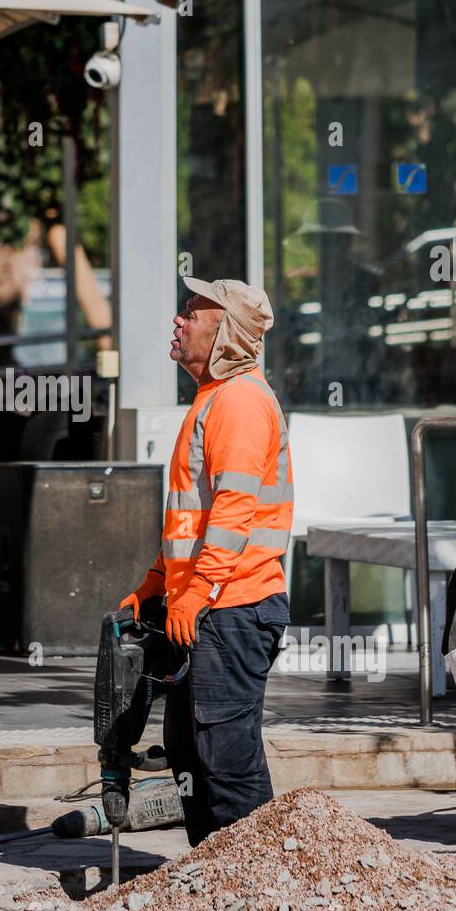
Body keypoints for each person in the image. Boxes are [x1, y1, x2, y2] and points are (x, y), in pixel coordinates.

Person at [120, 277, 293, 846]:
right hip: (209, 604)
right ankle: (211, 871)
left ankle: (256, 879)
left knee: (227, 756)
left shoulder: (240, 401)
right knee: (191, 748)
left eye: (193, 313)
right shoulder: (213, 399)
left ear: (226, 333)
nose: (179, 319)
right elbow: (192, 517)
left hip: (233, 606)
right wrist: (155, 584)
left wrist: (198, 591)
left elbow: (234, 509)